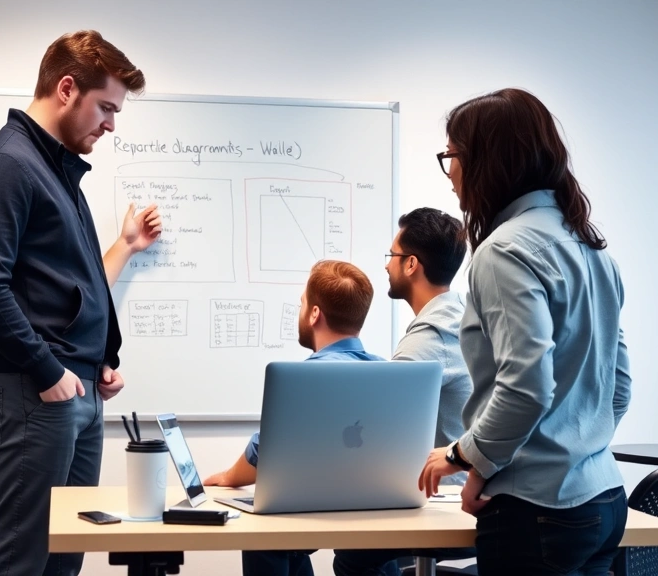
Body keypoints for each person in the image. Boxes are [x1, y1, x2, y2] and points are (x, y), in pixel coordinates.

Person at [0, 30, 162, 576]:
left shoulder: (54, 170)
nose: (112, 125)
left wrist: (100, 361)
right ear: (67, 88)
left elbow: (70, 285)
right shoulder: (6, 166)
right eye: (107, 108)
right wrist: (50, 369)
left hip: (74, 385)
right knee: (24, 556)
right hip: (34, 386)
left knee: (65, 556)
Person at [420, 88, 632, 576]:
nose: (449, 170)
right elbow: (617, 388)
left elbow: (527, 387)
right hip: (602, 500)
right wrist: (575, 450)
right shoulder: (591, 247)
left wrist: (463, 456)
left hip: (538, 513)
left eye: (451, 154)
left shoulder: (504, 252)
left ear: (485, 160)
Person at [204, 259, 382, 576]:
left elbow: (267, 448)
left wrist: (229, 478)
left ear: (315, 313)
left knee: (265, 527)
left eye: (303, 303)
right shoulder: (387, 372)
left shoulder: (302, 377)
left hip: (306, 510)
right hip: (376, 511)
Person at [331, 207, 474, 575]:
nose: (386, 266)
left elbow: (380, 421)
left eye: (391, 256)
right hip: (462, 484)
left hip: (445, 493)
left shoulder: (430, 337)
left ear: (411, 264)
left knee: (353, 555)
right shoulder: (459, 314)